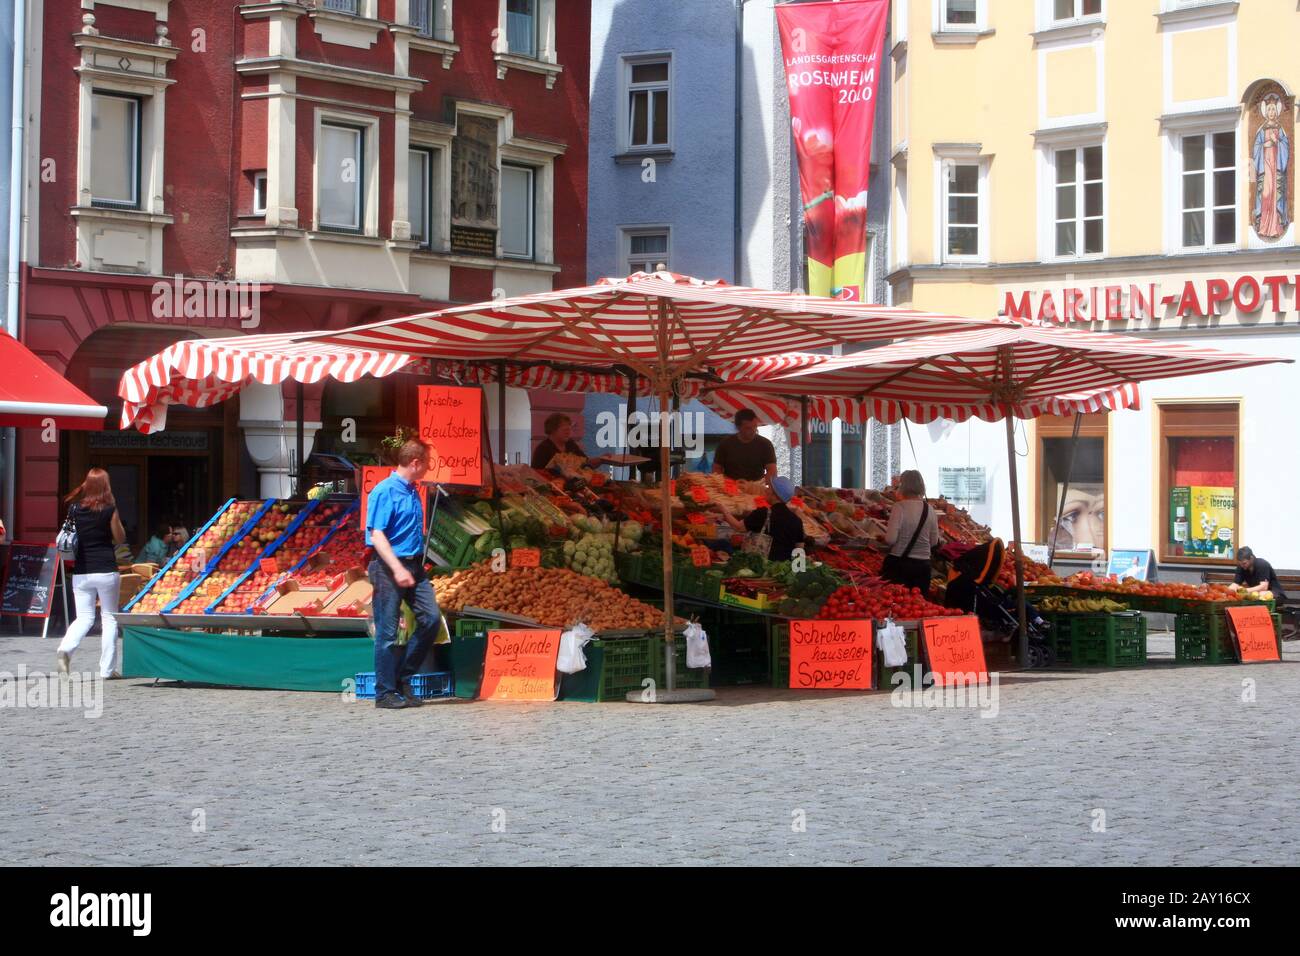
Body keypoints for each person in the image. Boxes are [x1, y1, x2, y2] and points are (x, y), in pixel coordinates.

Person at [366, 439, 442, 710]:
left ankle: (403, 678)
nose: (428, 469)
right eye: (427, 463)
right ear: (415, 463)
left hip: (414, 565)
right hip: (388, 567)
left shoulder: (412, 490)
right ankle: (384, 692)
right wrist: (397, 569)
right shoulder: (384, 491)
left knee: (431, 619)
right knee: (387, 632)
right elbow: (377, 534)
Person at [55, 468, 127, 679]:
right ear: (106, 486)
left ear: (87, 484)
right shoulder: (109, 509)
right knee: (109, 618)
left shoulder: (74, 509)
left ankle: (65, 650)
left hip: (81, 571)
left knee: (84, 618)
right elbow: (120, 538)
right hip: (106, 569)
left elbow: (67, 536)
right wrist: (115, 514)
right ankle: (107, 670)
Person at [882, 470, 940, 596]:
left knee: (899, 605)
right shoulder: (929, 509)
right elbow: (934, 541)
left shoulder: (900, 507)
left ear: (903, 486)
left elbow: (890, 539)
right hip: (923, 567)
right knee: (918, 606)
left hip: (900, 566)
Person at [721, 475, 806, 561]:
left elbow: (738, 527)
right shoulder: (797, 521)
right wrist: (796, 572)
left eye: (769, 488)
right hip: (784, 570)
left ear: (774, 494)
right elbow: (799, 550)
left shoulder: (763, 513)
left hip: (764, 569)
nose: (766, 490)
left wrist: (723, 510)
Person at [712, 408, 778, 482]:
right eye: (748, 428)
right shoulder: (725, 444)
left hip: (756, 488)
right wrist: (726, 482)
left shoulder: (765, 444)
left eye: (755, 426)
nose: (753, 431)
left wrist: (765, 484)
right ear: (738, 427)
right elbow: (717, 468)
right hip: (731, 487)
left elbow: (772, 470)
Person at [531, 413, 599, 470]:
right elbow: (535, 475)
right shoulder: (543, 449)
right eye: (565, 430)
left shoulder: (570, 444)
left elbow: (586, 463)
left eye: (569, 429)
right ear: (552, 430)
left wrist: (601, 460)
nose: (568, 433)